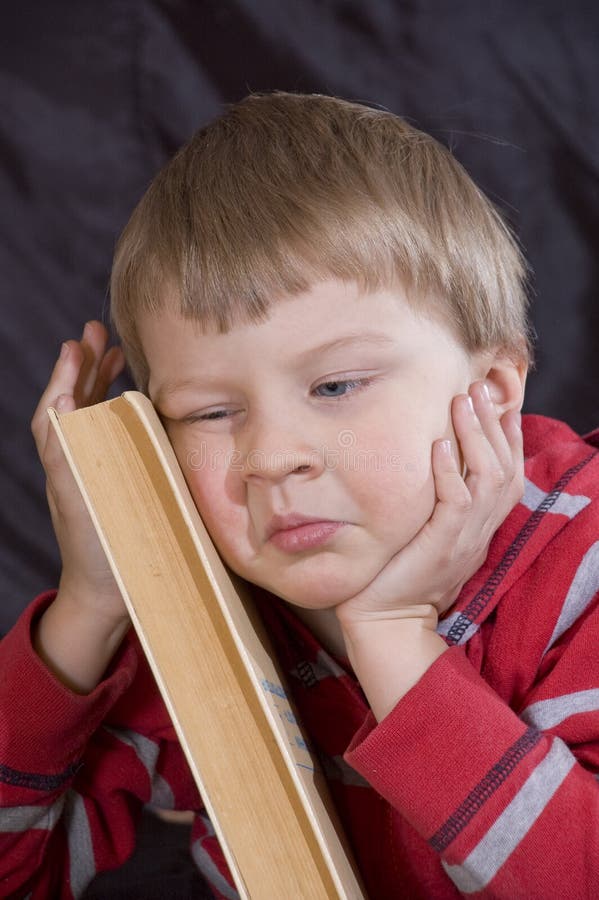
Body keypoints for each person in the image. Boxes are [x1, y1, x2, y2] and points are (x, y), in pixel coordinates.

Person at [2, 92, 598, 900]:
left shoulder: (583, 566)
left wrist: (392, 636)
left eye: (335, 385)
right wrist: (94, 603)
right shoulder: (196, 631)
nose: (272, 458)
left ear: (489, 392)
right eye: (209, 413)